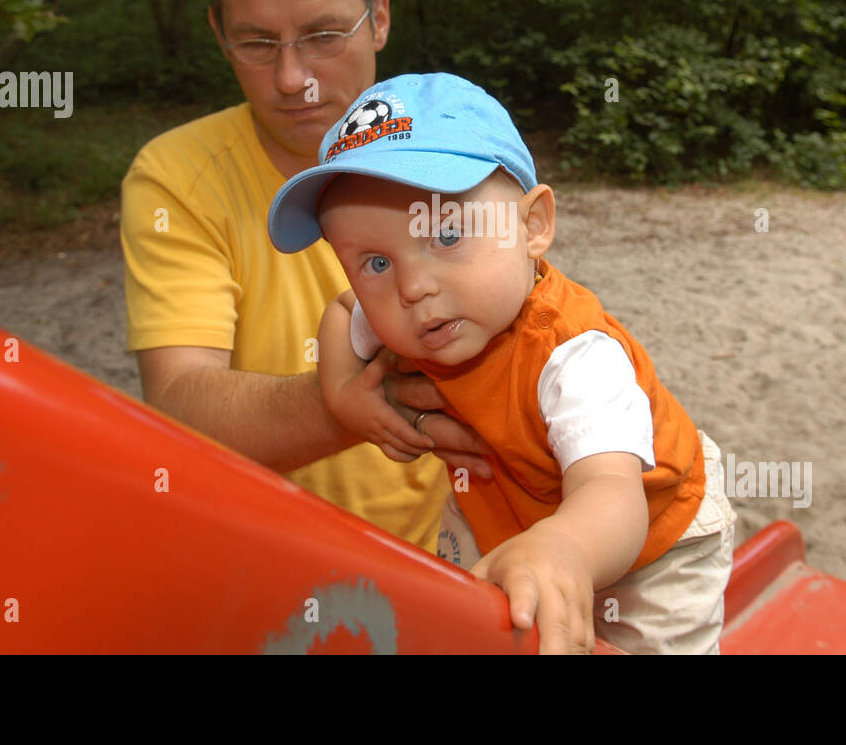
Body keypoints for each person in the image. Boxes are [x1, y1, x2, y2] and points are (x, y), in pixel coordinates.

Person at [268, 73, 738, 654]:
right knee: (470, 614)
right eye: (374, 264)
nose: (413, 287)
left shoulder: (572, 354)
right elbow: (343, 314)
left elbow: (613, 493)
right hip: (510, 501)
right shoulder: (411, 308)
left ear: (532, 225)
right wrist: (341, 394)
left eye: (444, 233)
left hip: (653, 533)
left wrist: (563, 546)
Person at [121, 0, 489, 553]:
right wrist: (346, 401)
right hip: (263, 564)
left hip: (453, 563)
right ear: (217, 33)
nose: (293, 79)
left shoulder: (456, 150)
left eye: (323, 36)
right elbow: (179, 407)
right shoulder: (176, 177)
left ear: (379, 17)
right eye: (257, 44)